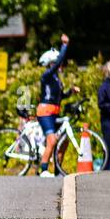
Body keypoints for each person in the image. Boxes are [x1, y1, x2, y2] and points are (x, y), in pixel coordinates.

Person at [35, 34, 78, 177]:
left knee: (63, 140)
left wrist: (70, 92)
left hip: (54, 112)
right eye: (57, 63)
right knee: (52, 140)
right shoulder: (47, 75)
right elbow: (59, 60)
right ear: (51, 63)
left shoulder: (56, 79)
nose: (61, 66)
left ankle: (57, 170)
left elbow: (59, 97)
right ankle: (44, 169)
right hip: (45, 112)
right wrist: (64, 46)